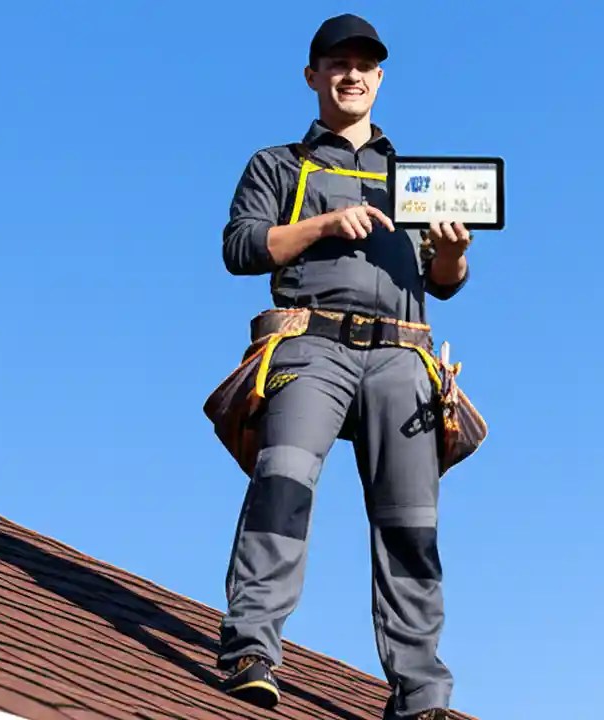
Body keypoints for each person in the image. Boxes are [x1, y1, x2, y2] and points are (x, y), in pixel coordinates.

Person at [215, 13, 470, 720]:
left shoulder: (416, 178)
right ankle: (251, 649)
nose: (351, 75)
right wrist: (324, 225)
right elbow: (240, 248)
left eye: (364, 65)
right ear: (313, 77)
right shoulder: (279, 164)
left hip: (401, 353)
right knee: (282, 486)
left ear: (379, 80)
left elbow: (445, 279)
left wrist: (450, 252)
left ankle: (421, 694)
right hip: (310, 342)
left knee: (411, 521)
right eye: (337, 64)